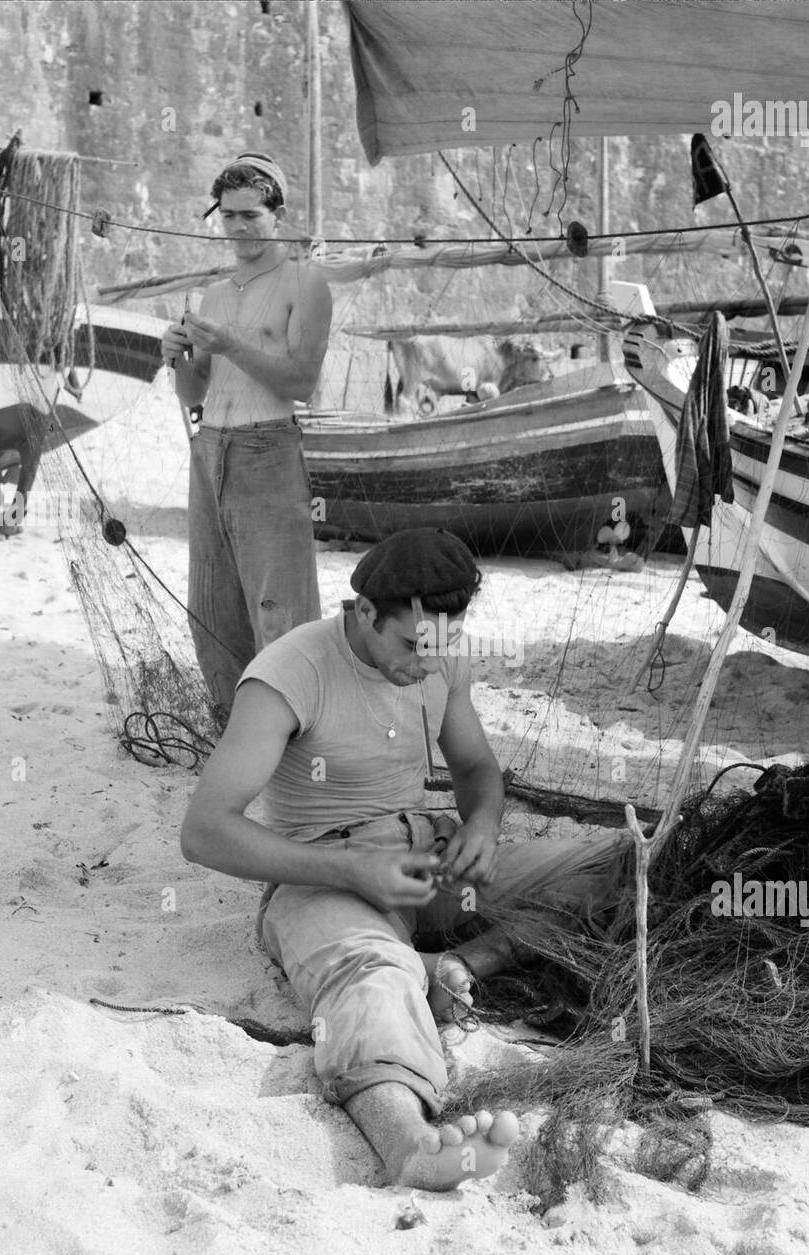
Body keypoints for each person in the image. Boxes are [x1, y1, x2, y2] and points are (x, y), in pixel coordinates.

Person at [180, 528, 626, 1190]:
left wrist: (482, 824)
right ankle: (411, 1145)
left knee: (608, 865)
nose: (426, 662)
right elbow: (204, 830)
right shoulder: (288, 674)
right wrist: (352, 869)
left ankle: (456, 966)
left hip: (427, 855)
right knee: (372, 974)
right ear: (364, 614)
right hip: (320, 877)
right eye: (412, 646)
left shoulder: (442, 656)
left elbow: (475, 765)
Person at [161, 151, 333, 719]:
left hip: (268, 448)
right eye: (228, 217)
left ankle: (295, 727)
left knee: (280, 607)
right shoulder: (214, 294)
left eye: (250, 216)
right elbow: (194, 395)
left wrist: (231, 345)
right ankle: (234, 727)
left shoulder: (304, 283)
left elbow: (303, 382)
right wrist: (176, 358)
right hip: (209, 447)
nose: (237, 229)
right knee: (211, 604)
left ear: (278, 215)